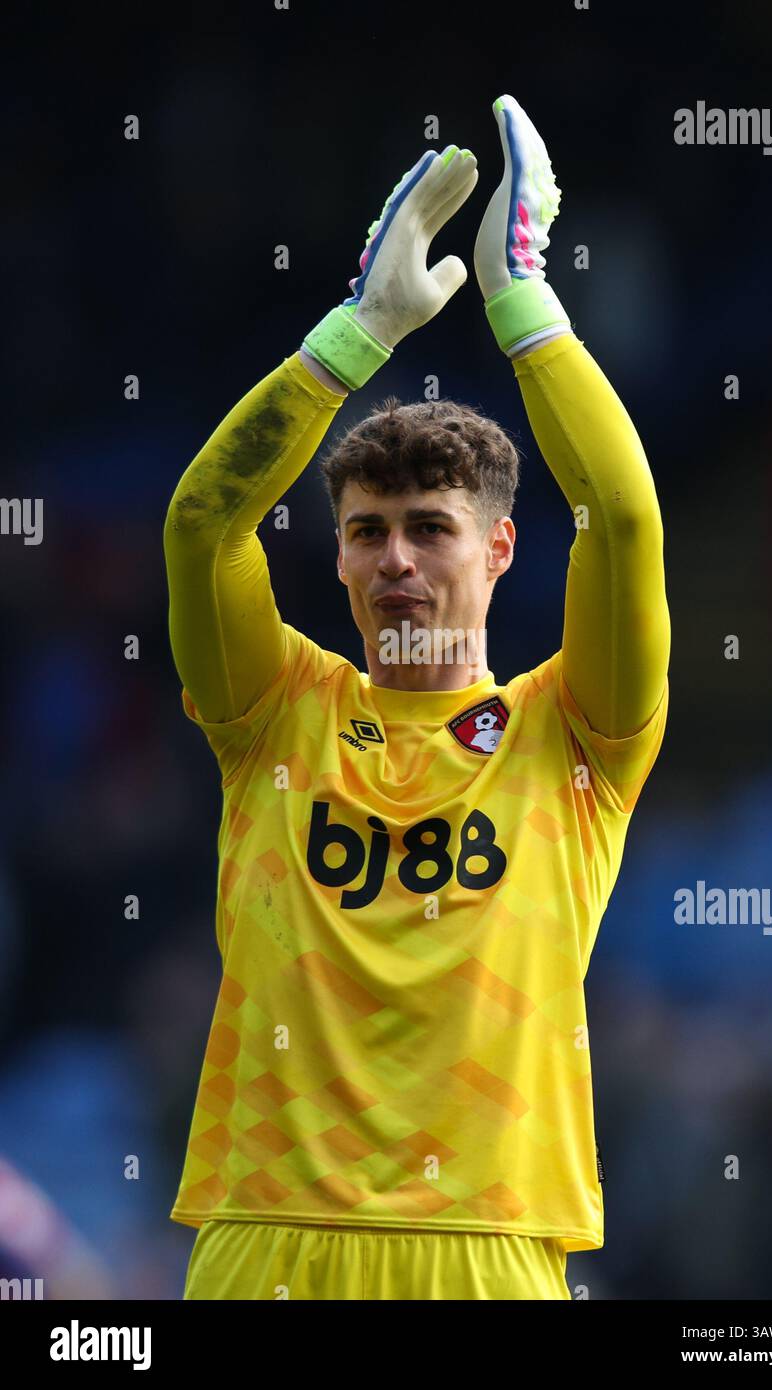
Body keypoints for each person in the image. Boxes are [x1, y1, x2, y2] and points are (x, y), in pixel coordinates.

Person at [163, 95, 670, 1300]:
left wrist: (520, 301)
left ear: (497, 550)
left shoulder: (574, 730)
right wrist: (359, 331)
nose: (395, 559)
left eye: (429, 529)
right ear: (334, 559)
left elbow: (628, 517)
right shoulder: (272, 706)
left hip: (487, 1248)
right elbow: (200, 524)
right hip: (265, 1234)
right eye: (366, 532)